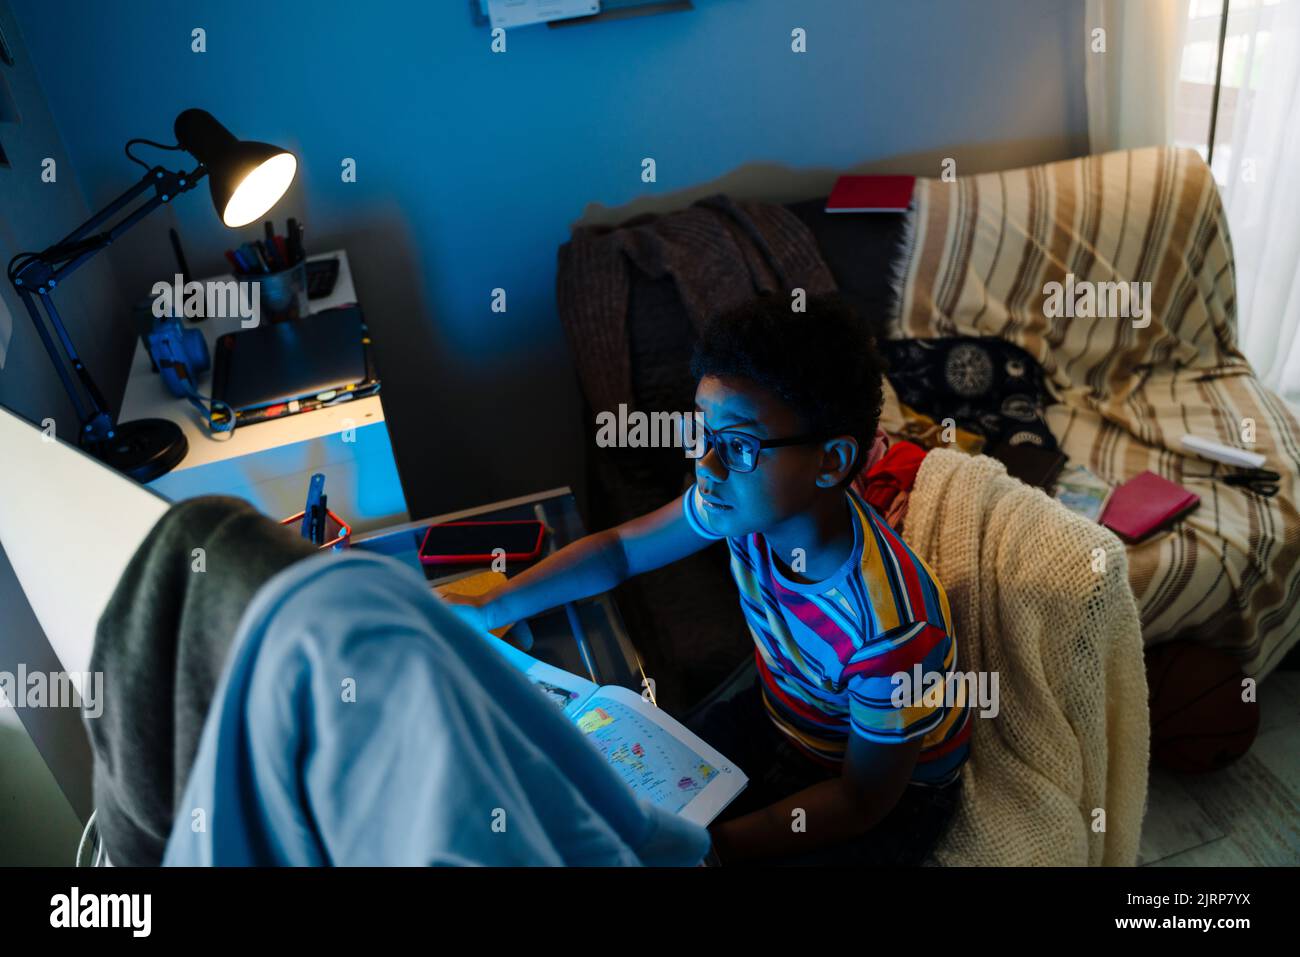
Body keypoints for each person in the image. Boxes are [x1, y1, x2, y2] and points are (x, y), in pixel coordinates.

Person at [446, 293, 969, 865]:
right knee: (607, 798)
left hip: (882, 792)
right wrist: (491, 608)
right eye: (703, 433)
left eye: (739, 446)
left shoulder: (892, 632)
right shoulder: (741, 506)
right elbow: (620, 552)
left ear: (831, 461)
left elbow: (862, 799)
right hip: (780, 716)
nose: (707, 465)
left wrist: (708, 848)